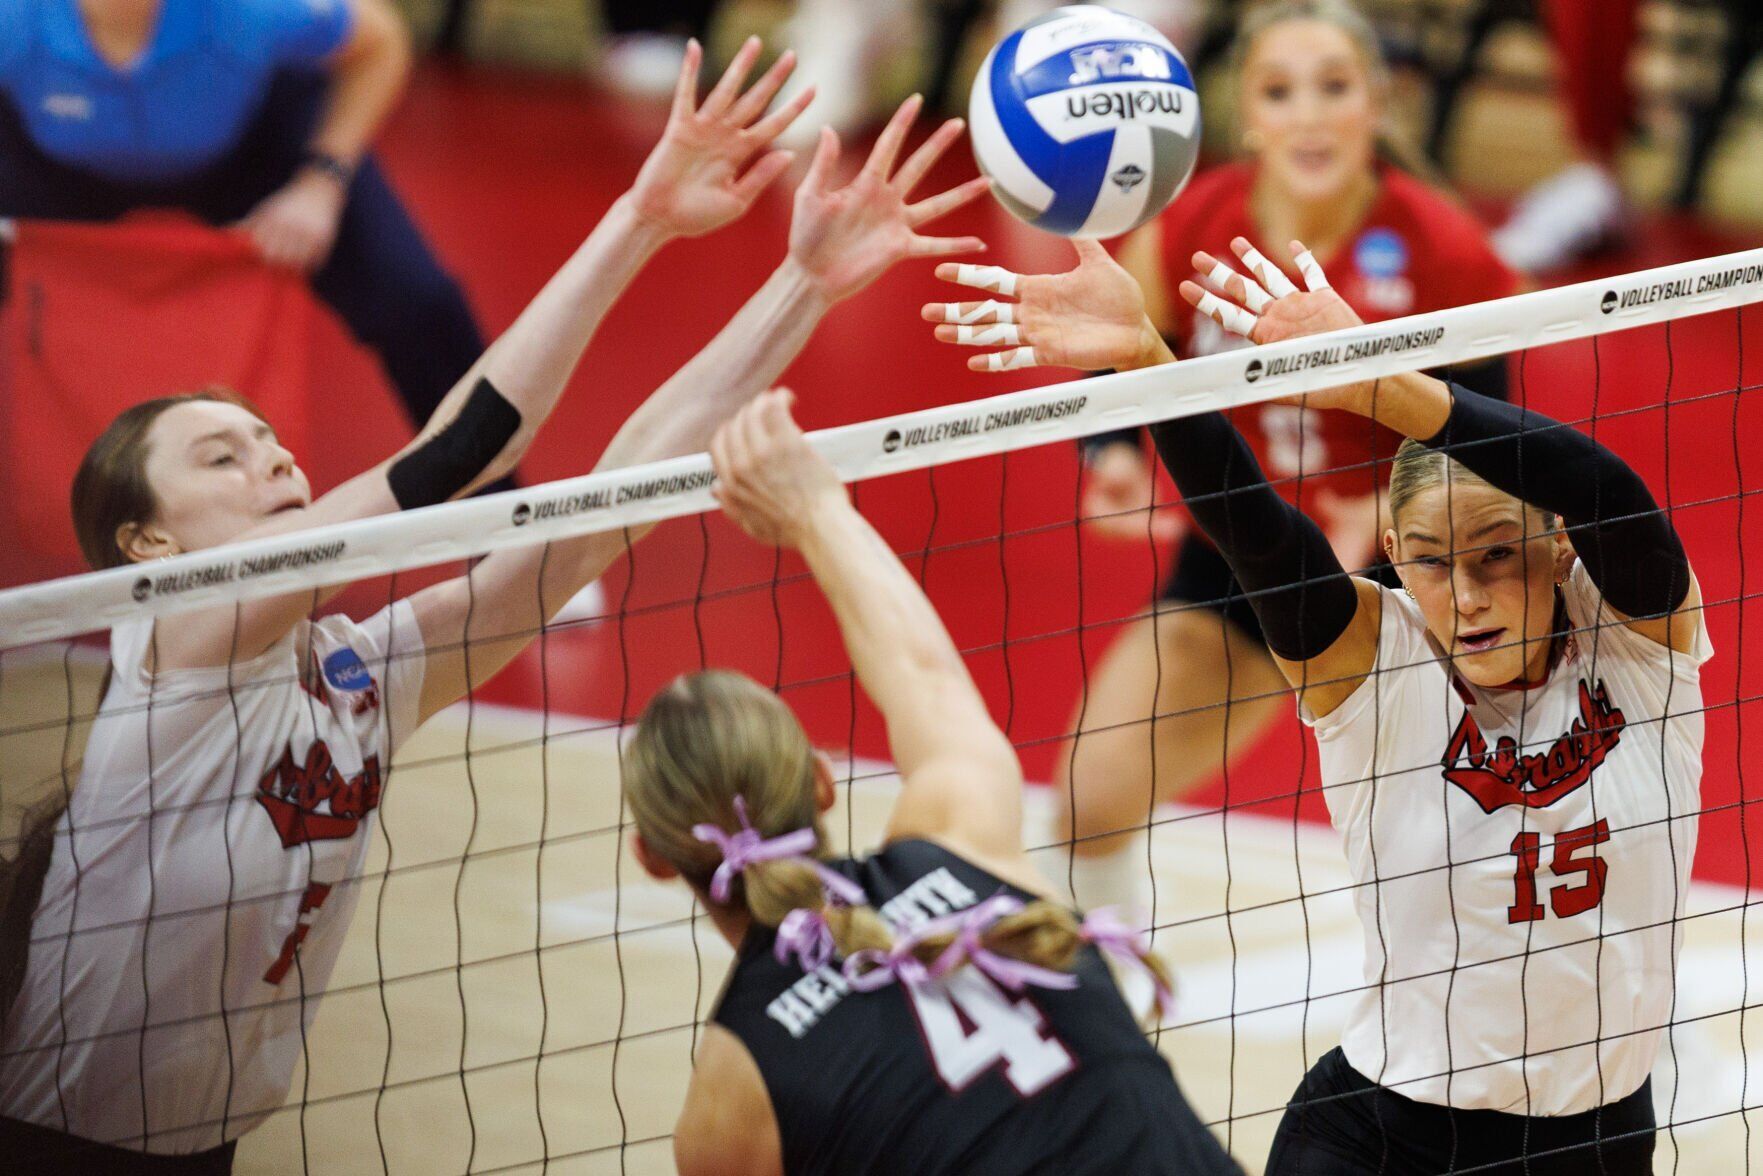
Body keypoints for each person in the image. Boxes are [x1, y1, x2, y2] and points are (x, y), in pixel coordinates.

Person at [0, 43, 991, 1169]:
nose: (271, 458)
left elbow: (611, 503)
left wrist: (801, 283)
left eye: (266, 440)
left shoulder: (355, 677)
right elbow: (462, 449)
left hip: (202, 1140)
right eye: (220, 457)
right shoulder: (170, 647)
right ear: (147, 546)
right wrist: (638, 218)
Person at [927, 237, 1705, 1172]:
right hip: (1385, 1141)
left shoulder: (1636, 643)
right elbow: (1258, 537)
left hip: (1593, 1143)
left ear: (1559, 544)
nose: (1465, 596)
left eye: (1497, 552)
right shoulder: (1374, 657)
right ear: (1393, 552)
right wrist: (1144, 362)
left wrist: (1379, 387)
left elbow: (1604, 487)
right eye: (1430, 560)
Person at [625, 389, 1241, 1176]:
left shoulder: (725, 1101)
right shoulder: (961, 835)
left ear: (652, 856)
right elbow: (922, 674)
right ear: (821, 783)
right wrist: (814, 509)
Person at [1052, 0, 1519, 934]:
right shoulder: (1192, 221)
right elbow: (1123, 351)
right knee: (1088, 800)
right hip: (1241, 547)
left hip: (1416, 574)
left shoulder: (1445, 250)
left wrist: (1390, 516)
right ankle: (1106, 991)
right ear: (1247, 116)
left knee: (1462, 848)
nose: (1308, 115)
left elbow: (1497, 444)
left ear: (1376, 103)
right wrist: (1114, 454)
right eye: (1278, 91)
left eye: (1333, 87)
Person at [0, 0, 489, 472]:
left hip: (247, 144)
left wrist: (322, 180)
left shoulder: (255, 9)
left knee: (417, 299)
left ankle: (495, 501)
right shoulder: (13, 18)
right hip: (56, 161)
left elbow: (381, 42)